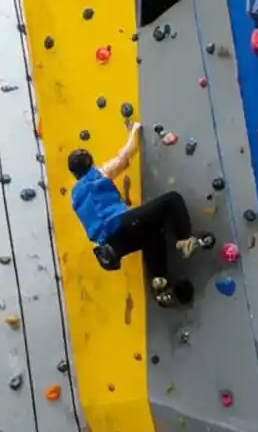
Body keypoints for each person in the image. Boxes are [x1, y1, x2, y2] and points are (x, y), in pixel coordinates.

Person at [68, 122, 211, 306]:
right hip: (121, 223)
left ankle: (160, 283)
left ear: (74, 174)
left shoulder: (75, 198)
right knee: (172, 200)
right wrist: (134, 130)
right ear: (90, 162)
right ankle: (184, 240)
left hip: (111, 245)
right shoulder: (96, 175)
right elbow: (124, 155)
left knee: (153, 236)